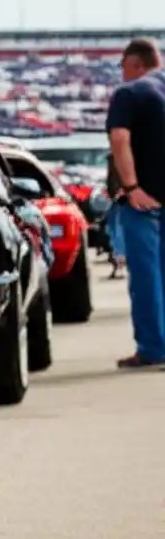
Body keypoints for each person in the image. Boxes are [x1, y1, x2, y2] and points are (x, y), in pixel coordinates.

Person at [106, 38, 165, 369]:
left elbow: (119, 137)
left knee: (146, 277)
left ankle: (154, 348)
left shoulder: (130, 93)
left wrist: (131, 187)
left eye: (122, 66)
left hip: (147, 201)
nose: (122, 73)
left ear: (135, 63)